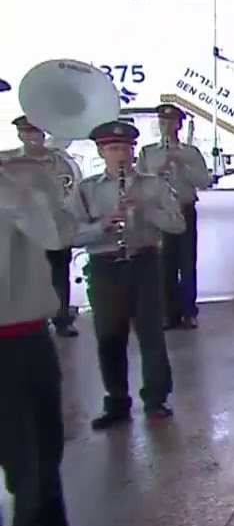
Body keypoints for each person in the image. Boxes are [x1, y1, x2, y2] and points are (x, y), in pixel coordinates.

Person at [70, 120, 185, 430]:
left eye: (124, 147)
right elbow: (70, 234)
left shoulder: (153, 185)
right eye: (112, 148)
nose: (119, 154)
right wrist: (103, 225)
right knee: (109, 336)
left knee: (151, 333)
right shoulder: (86, 190)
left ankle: (157, 400)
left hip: (144, 261)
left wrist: (147, 207)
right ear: (100, 152)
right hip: (105, 265)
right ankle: (117, 401)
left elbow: (177, 225)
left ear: (133, 150)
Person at [0, 150, 74, 526]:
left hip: (18, 344)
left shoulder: (25, 174)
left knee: (37, 477)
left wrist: (16, 190)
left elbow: (57, 236)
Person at [3, 116, 82, 338]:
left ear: (43, 134)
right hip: (24, 228)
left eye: (35, 132)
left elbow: (71, 189)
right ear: (19, 135)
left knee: (59, 273)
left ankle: (62, 319)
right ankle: (29, 320)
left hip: (54, 223)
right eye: (26, 132)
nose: (32, 137)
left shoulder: (60, 161)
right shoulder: (9, 160)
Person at [138, 104, 214, 330]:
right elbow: (138, 181)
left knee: (187, 262)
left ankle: (189, 311)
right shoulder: (148, 152)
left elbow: (204, 181)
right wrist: (155, 174)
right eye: (162, 122)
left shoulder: (190, 152)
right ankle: (167, 313)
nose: (166, 127)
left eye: (171, 122)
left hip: (184, 208)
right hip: (160, 211)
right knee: (163, 263)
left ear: (179, 125)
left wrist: (183, 166)